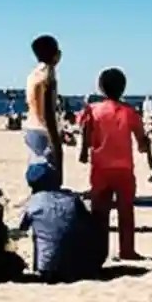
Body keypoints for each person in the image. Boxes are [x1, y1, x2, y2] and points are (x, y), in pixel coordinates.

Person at [78, 67, 152, 260]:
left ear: (100, 88)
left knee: (99, 212)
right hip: (123, 168)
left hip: (100, 168)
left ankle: (99, 251)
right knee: (126, 211)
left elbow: (85, 133)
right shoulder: (129, 112)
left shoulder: (93, 110)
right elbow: (142, 141)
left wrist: (83, 152)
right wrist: (150, 159)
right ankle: (127, 250)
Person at [18, 164, 106, 282]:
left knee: (40, 230)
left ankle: (39, 263)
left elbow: (22, 228)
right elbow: (90, 223)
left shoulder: (33, 203)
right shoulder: (72, 199)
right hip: (83, 267)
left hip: (49, 270)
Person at [25, 34, 64, 184]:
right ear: (56, 55)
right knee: (50, 172)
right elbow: (47, 112)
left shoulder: (32, 75)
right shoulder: (48, 76)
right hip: (43, 130)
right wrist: (55, 139)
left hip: (31, 127)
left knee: (37, 169)